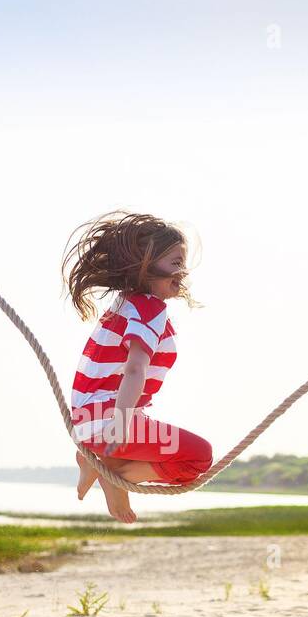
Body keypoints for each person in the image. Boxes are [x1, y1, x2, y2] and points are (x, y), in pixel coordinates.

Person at [63, 212, 213, 523]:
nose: (182, 271)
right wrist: (119, 422)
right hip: (110, 420)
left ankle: (103, 461)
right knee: (199, 457)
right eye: (175, 262)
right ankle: (115, 470)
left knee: (185, 452)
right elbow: (134, 370)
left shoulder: (126, 303)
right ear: (147, 267)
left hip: (90, 419)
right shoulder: (149, 309)